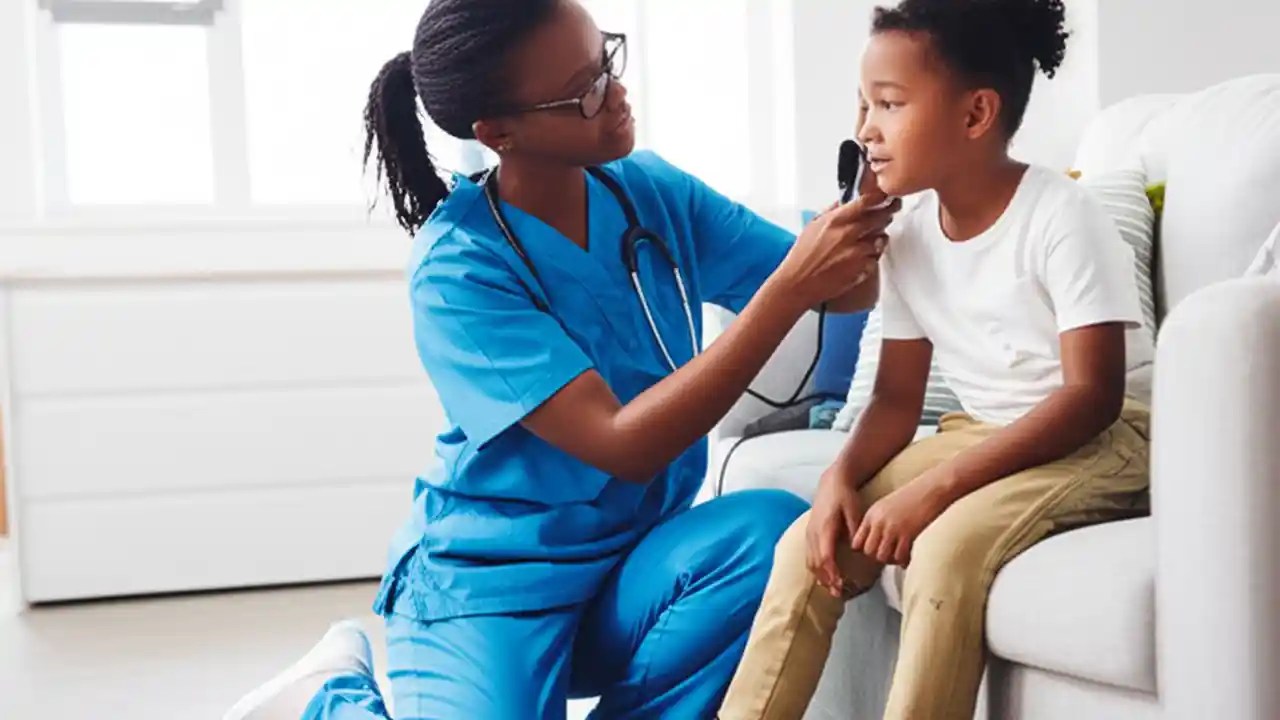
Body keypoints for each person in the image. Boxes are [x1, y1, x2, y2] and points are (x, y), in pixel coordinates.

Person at [224, 0, 902, 718]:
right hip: (491, 589)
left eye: (606, 61)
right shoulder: (458, 270)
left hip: (624, 570)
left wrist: (873, 188)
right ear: (498, 133)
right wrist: (790, 289)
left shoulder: (650, 192)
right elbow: (623, 445)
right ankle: (326, 696)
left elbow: (846, 292)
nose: (617, 93)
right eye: (585, 92)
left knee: (765, 535)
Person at [718, 1, 1150, 719]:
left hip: (1098, 440)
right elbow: (895, 400)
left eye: (889, 104)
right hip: (983, 432)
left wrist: (935, 490)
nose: (865, 129)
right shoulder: (910, 231)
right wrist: (839, 478)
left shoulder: (1063, 216)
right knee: (806, 545)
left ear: (975, 114)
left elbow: (1091, 398)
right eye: (863, 105)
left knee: (945, 551)